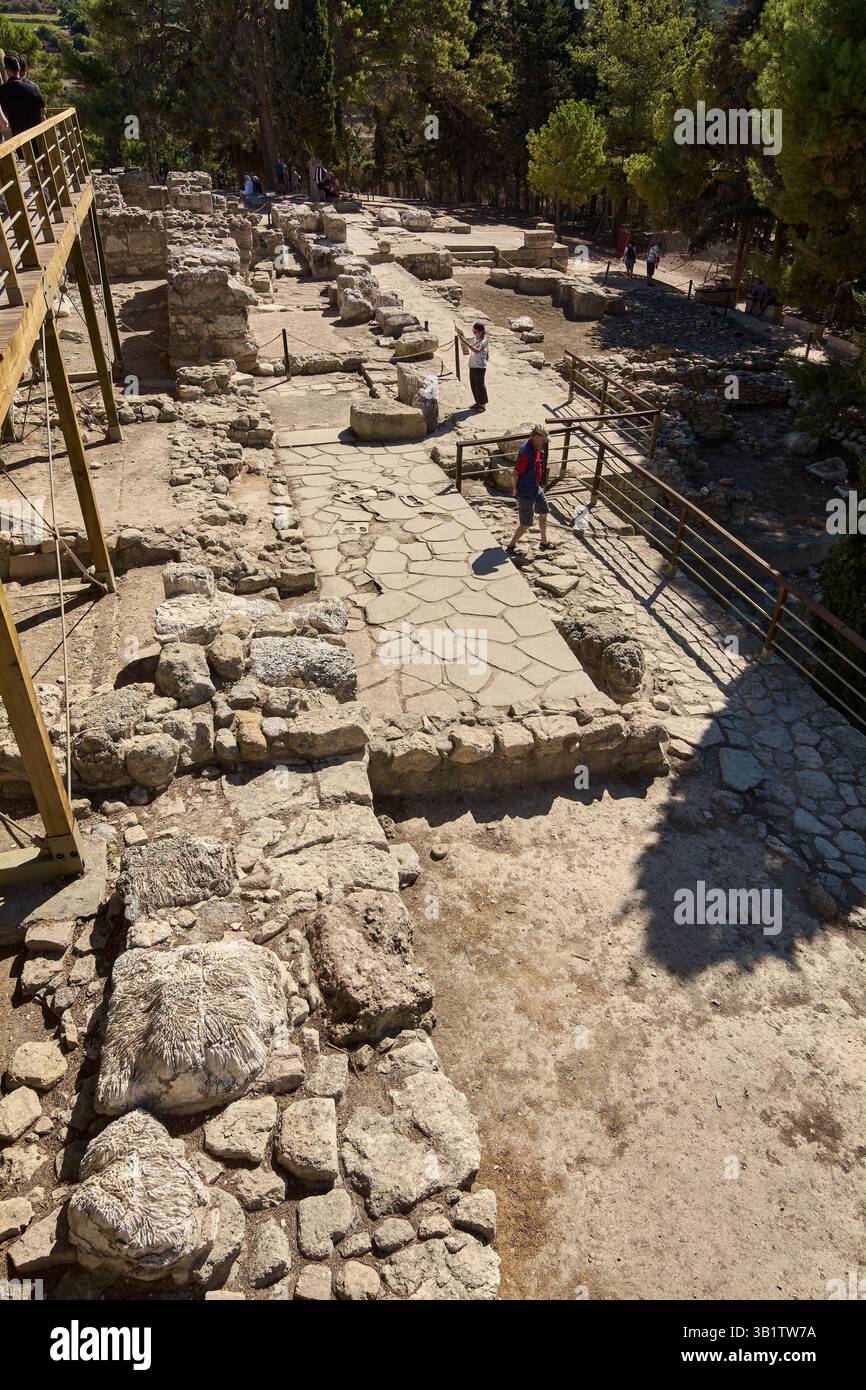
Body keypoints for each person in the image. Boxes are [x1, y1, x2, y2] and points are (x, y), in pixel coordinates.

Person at [507, 426, 553, 554]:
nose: (544, 443)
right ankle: (511, 546)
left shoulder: (536, 448)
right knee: (526, 523)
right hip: (526, 492)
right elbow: (515, 473)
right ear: (536, 437)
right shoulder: (526, 453)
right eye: (543, 440)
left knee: (544, 512)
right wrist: (515, 490)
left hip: (536, 488)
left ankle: (544, 542)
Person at [0, 53, 45, 137]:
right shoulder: (34, 87)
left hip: (19, 138)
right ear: (19, 69)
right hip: (36, 135)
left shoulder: (2, 90)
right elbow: (43, 111)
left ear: (7, 70)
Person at [454, 321, 489, 411]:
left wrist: (467, 344)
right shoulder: (474, 338)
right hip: (473, 365)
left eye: (475, 332)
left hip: (480, 367)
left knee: (480, 386)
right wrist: (460, 334)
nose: (474, 333)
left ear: (481, 332)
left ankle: (483, 405)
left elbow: (477, 350)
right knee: (473, 385)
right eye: (473, 331)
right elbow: (466, 339)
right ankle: (478, 402)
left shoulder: (484, 341)